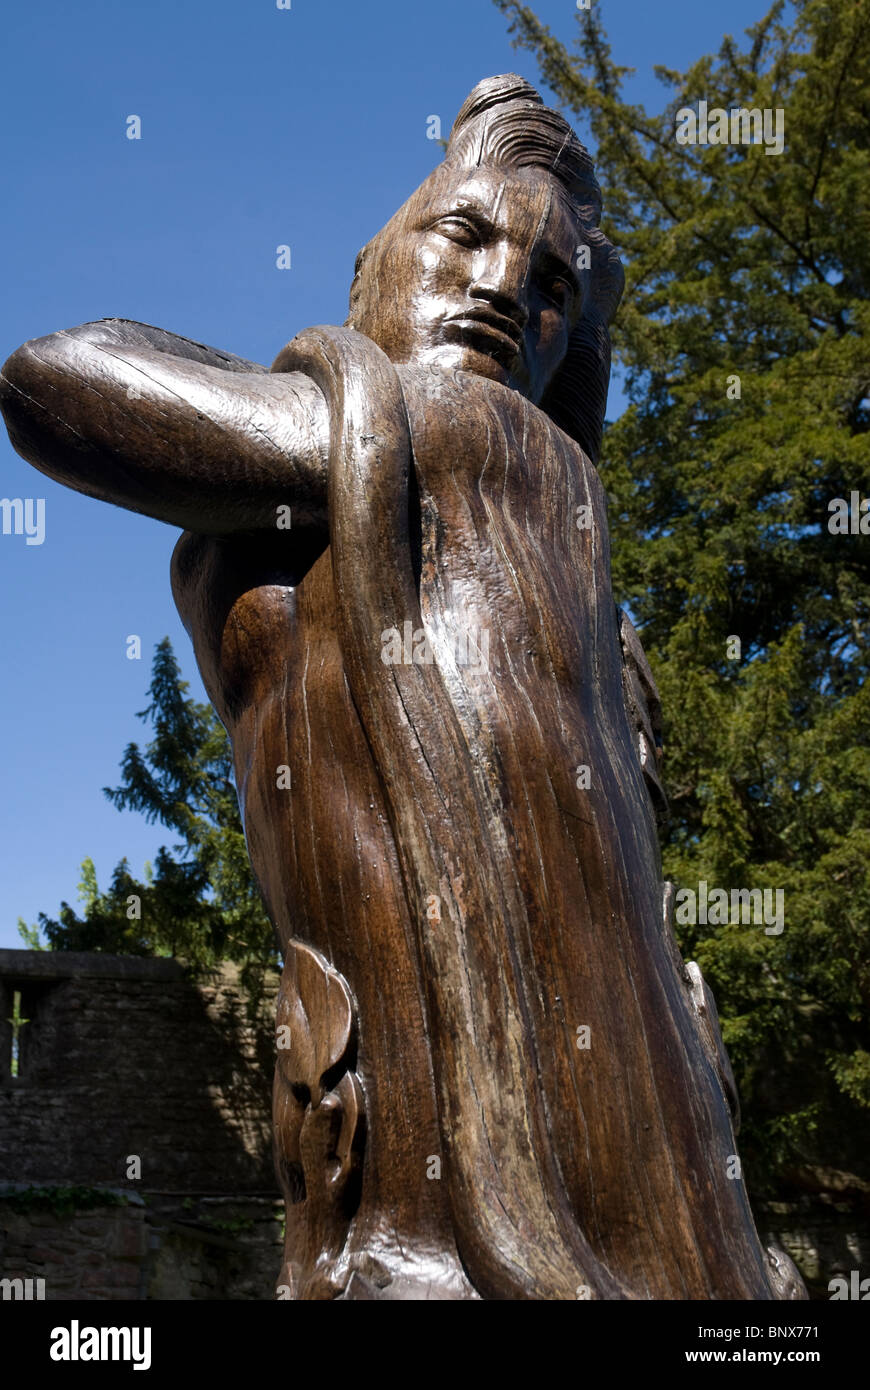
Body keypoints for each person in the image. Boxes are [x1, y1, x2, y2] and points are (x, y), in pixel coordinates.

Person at [0, 75, 805, 1301]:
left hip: (646, 1194)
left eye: (552, 288)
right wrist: (346, 402)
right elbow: (55, 379)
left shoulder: (540, 505)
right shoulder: (368, 456)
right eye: (465, 234)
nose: (505, 289)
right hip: (401, 1203)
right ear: (371, 268)